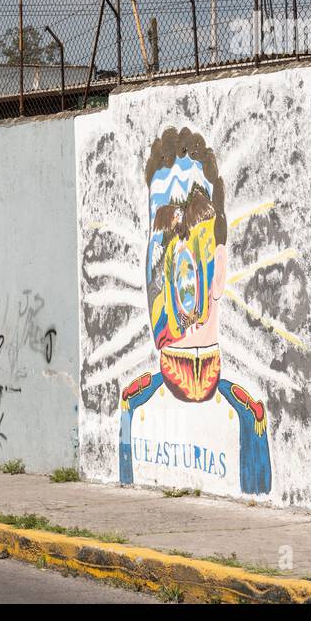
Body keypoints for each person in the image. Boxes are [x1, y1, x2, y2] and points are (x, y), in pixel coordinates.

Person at [119, 128, 271, 495]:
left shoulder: (246, 417)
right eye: (162, 232)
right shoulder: (135, 406)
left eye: (187, 226)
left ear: (219, 270)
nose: (173, 261)